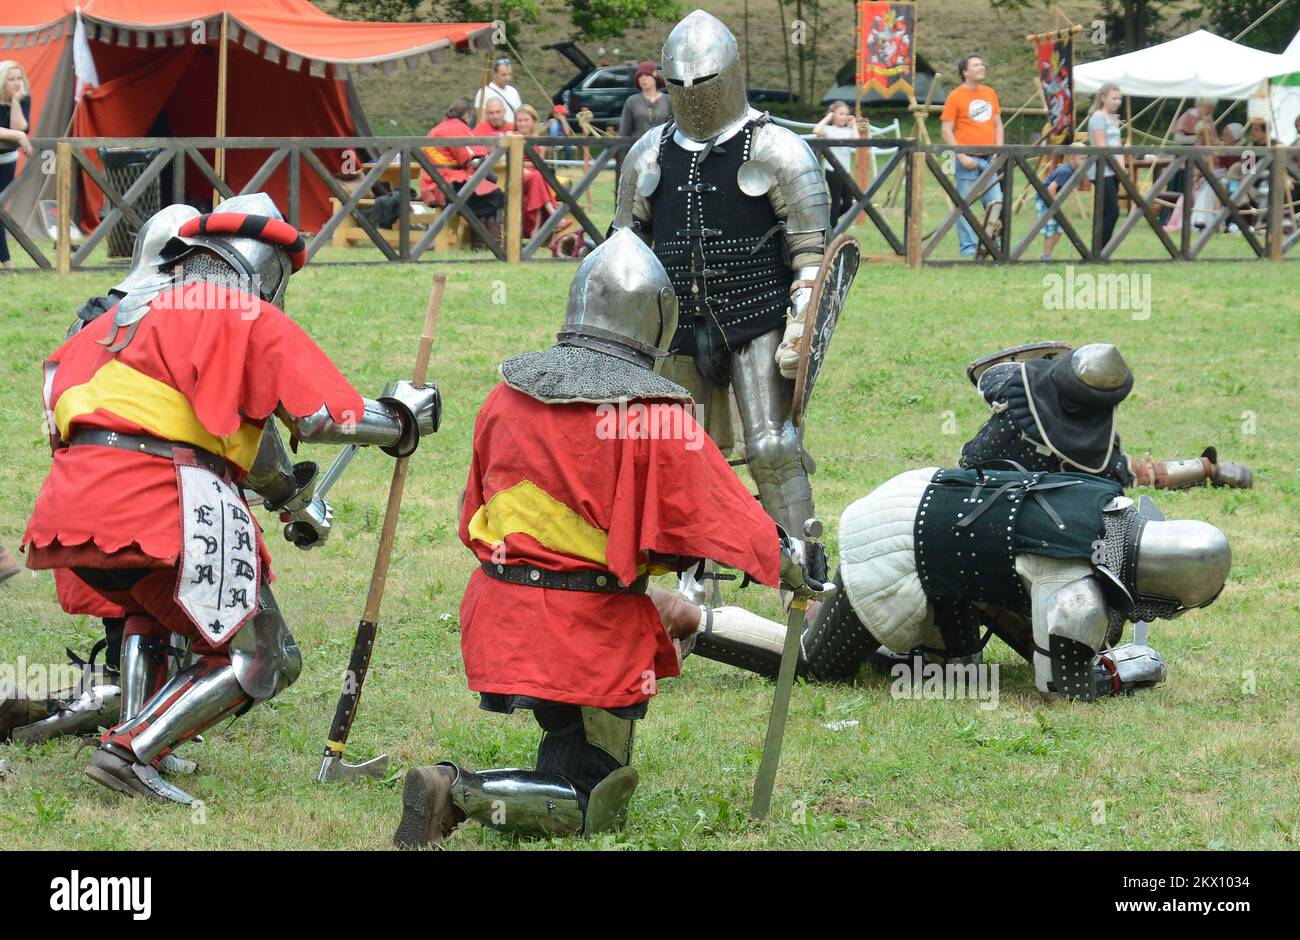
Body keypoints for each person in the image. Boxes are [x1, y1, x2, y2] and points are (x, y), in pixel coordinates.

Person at [20, 193, 441, 803]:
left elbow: (234, 437)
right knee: (263, 656)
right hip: (161, 495)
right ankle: (131, 752)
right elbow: (322, 416)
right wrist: (400, 418)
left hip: (71, 502)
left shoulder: (116, 321)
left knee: (155, 613)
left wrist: (290, 496)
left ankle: (140, 737)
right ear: (264, 271)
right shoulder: (240, 315)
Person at [392, 230, 793, 846]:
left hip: (498, 612)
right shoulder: (654, 417)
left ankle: (540, 770)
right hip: (582, 632)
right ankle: (457, 790)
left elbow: (471, 513)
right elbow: (732, 518)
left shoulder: (505, 400)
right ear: (657, 322)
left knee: (576, 741)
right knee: (596, 801)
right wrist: (794, 563)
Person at [612, 11, 833, 627]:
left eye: (704, 79)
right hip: (676, 324)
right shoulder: (646, 153)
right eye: (678, 84)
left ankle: (807, 583)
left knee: (772, 447)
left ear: (732, 74)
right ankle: (686, 588)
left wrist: (799, 324)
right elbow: (624, 254)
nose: (692, 95)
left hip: (756, 314)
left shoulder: (779, 147)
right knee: (683, 454)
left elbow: (812, 251)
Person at [671, 465, 1231, 701]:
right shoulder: (1076, 591)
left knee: (957, 667)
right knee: (817, 668)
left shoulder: (1106, 501)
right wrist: (1136, 667)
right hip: (897, 544)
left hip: (930, 501)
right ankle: (690, 618)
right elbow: (1065, 687)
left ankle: (848, 617)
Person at [959, 343, 1252, 489]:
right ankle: (1207, 469)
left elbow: (969, 459)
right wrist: (1206, 470)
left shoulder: (1007, 392)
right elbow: (1144, 474)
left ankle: (1206, 469)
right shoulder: (1096, 462)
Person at [420, 97, 505, 251]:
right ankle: (491, 244)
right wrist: (491, 175)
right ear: (467, 115)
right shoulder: (457, 129)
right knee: (495, 195)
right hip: (448, 185)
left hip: (431, 186)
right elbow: (474, 159)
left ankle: (482, 242)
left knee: (483, 192)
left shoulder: (436, 129)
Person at [940, 54, 1004, 257]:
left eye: (982, 64)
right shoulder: (955, 96)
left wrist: (998, 149)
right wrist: (960, 156)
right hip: (967, 159)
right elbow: (946, 129)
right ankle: (968, 248)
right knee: (964, 206)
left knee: (995, 204)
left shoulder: (990, 93)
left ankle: (990, 245)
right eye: (976, 65)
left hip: (989, 158)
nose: (981, 67)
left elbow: (997, 124)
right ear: (965, 72)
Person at [0, 60, 34, 272]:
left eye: (19, 78)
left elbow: (21, 126)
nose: (16, 82)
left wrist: (15, 100)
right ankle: (8, 263)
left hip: (7, 163)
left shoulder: (23, 99)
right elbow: (18, 132)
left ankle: (7, 263)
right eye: (11, 79)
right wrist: (18, 136)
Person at [510, 104, 559, 238]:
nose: (522, 124)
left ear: (533, 121)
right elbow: (506, 160)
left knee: (538, 178)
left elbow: (540, 162)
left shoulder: (537, 139)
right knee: (537, 177)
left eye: (526, 120)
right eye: (519, 120)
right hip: (517, 173)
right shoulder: (512, 136)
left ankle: (535, 230)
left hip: (535, 177)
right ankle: (552, 212)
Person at [1087, 82, 1124, 252]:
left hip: (1115, 169)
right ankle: (1101, 248)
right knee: (1112, 211)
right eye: (1113, 98)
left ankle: (1099, 250)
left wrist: (1122, 168)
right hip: (1102, 169)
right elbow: (1101, 145)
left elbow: (1117, 145)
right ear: (1103, 98)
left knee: (1104, 211)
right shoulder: (1097, 117)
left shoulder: (1114, 119)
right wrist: (1115, 165)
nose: (1117, 102)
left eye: (1119, 98)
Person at [814, 101, 861, 222]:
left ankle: (829, 223)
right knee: (835, 202)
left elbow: (857, 142)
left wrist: (854, 125)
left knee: (848, 203)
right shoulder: (829, 130)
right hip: (832, 170)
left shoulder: (848, 131)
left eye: (846, 114)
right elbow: (816, 130)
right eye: (841, 114)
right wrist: (828, 117)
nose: (844, 116)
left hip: (846, 170)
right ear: (833, 115)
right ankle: (833, 229)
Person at [1035, 149, 1082, 260]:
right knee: (1051, 229)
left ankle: (1048, 254)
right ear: (1071, 158)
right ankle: (1046, 256)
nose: (1084, 161)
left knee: (1060, 228)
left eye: (1085, 158)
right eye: (1081, 158)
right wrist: (1054, 207)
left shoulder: (1073, 170)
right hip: (1045, 200)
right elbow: (1051, 188)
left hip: (1052, 200)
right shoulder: (1066, 171)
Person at [473, 57, 522, 125]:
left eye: (509, 74)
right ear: (494, 73)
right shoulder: (484, 92)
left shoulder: (513, 91)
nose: (508, 78)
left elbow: (520, 115)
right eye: (503, 75)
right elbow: (481, 121)